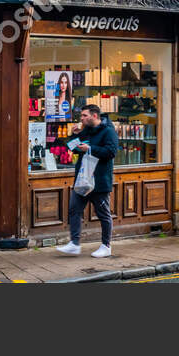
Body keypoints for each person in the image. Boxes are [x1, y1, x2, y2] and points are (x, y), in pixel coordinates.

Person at [56, 104, 118, 258]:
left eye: (84, 115)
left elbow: (111, 152)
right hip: (83, 179)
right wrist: (74, 135)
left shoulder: (108, 131)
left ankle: (106, 246)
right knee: (74, 209)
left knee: (103, 214)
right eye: (81, 116)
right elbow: (74, 148)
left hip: (99, 180)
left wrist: (90, 149)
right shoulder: (87, 131)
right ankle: (74, 244)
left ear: (94, 116)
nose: (81, 118)